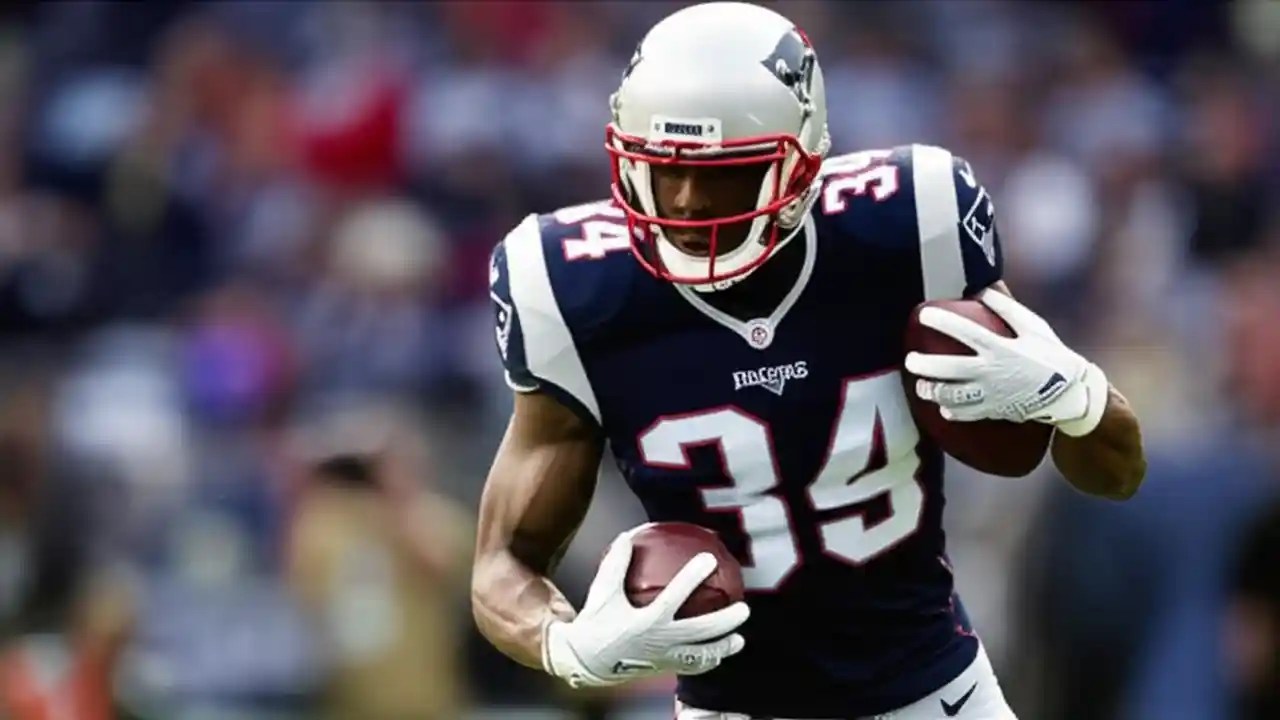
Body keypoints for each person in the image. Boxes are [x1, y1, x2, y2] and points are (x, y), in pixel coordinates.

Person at [472, 3, 1147, 718]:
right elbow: (501, 562)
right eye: (666, 172)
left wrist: (1075, 394)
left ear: (803, 158)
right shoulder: (570, 288)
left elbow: (1118, 470)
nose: (691, 206)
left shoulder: (906, 226)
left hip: (936, 694)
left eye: (728, 176)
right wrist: (563, 644)